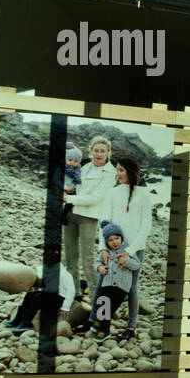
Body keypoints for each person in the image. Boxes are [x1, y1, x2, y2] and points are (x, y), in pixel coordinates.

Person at [94, 157, 152, 341]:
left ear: (130, 172)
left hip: (134, 249)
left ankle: (131, 327)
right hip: (111, 246)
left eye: (121, 170)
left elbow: (146, 226)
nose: (117, 174)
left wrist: (130, 250)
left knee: (132, 289)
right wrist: (103, 248)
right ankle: (97, 320)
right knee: (101, 284)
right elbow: (104, 221)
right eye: (116, 170)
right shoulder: (112, 194)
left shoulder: (144, 195)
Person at [62, 135, 113, 295]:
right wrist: (67, 190)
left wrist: (68, 197)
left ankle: (95, 295)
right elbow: (77, 186)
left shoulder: (110, 172)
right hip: (70, 213)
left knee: (87, 259)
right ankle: (74, 293)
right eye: (96, 150)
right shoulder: (85, 167)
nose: (99, 154)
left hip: (88, 217)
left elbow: (96, 198)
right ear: (90, 152)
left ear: (108, 153)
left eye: (102, 151)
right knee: (70, 257)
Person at [3, 243, 77, 332]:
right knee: (30, 295)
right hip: (51, 295)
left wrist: (65, 307)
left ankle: (27, 322)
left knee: (38, 298)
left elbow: (71, 290)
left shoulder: (64, 273)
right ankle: (18, 319)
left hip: (60, 298)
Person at [89, 224, 140, 339]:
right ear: (106, 242)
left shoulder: (128, 250)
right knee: (102, 302)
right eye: (110, 240)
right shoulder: (106, 252)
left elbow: (137, 264)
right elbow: (97, 262)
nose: (114, 242)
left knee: (110, 307)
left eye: (117, 238)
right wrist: (100, 268)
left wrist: (126, 261)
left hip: (121, 286)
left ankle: (104, 330)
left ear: (121, 238)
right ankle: (100, 323)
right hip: (107, 283)